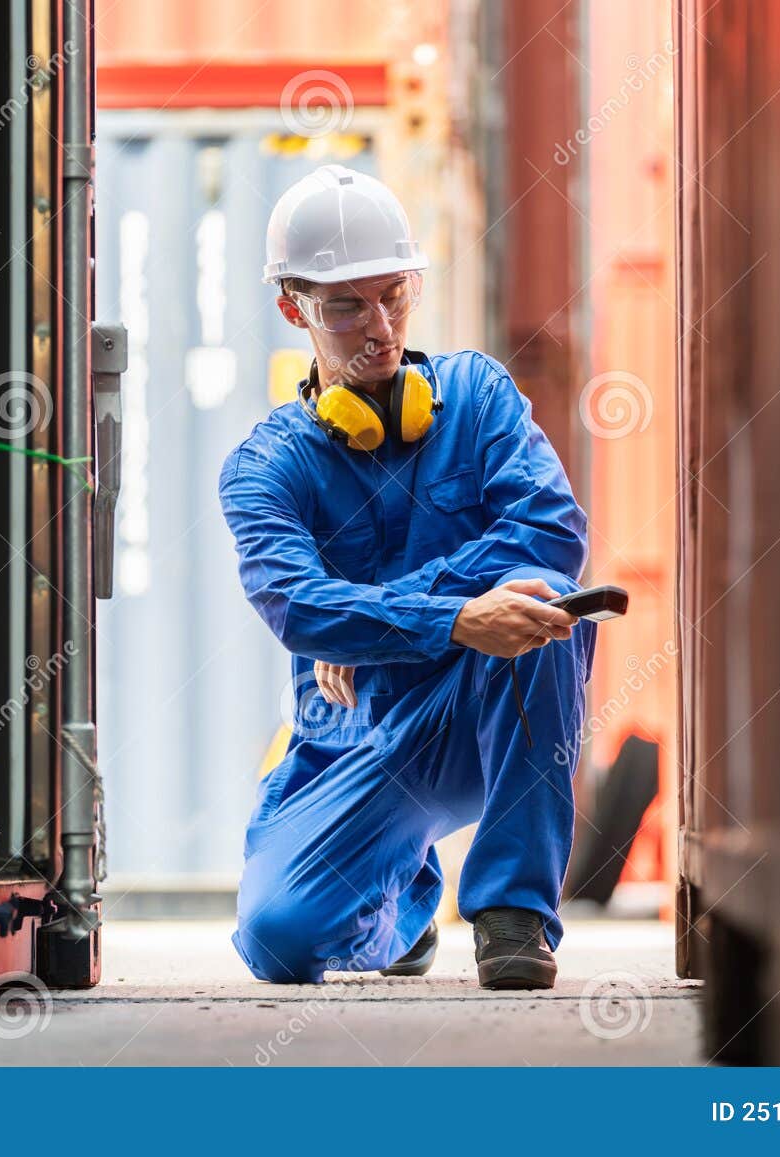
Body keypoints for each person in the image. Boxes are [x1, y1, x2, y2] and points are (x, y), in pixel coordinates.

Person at [219, 164, 595, 989]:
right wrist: (452, 616)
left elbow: (552, 530)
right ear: (294, 308)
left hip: (481, 711)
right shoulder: (264, 468)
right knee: (281, 941)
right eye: (346, 306)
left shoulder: (478, 395)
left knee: (543, 604)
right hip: (355, 737)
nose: (379, 327)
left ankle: (512, 913)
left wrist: (387, 618)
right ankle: (401, 905)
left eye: (396, 294)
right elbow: (297, 603)